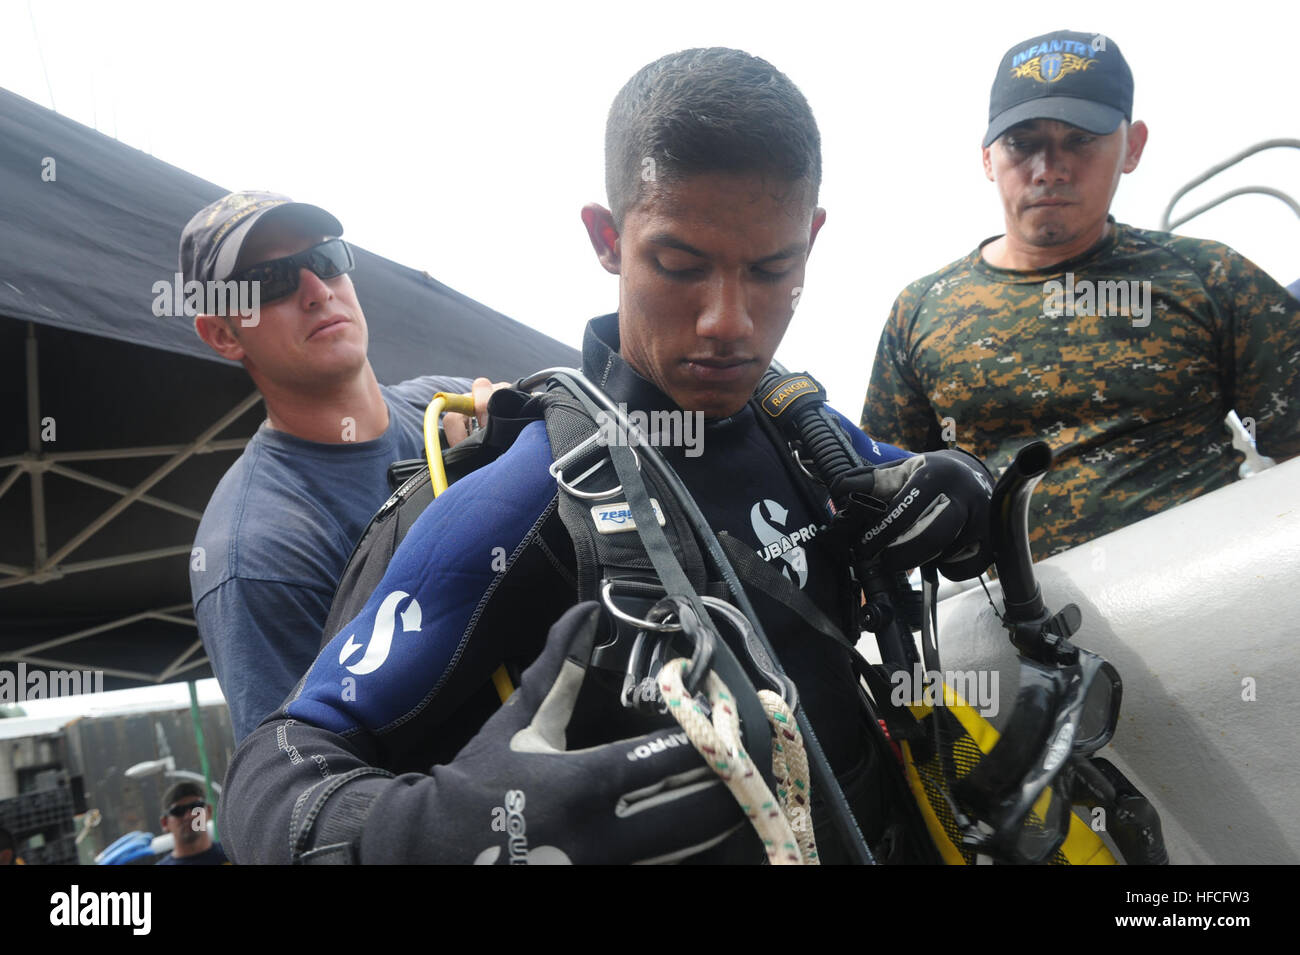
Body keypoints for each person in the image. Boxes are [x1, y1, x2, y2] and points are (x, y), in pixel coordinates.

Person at [220, 48, 993, 865]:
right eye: (680, 265)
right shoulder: (522, 501)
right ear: (606, 237)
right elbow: (272, 772)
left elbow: (927, 494)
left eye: (773, 269)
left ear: (813, 236)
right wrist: (431, 828)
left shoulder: (804, 429)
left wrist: (969, 496)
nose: (728, 321)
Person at [861, 30, 1300, 559]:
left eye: (1080, 140)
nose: (1050, 169)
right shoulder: (922, 312)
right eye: (1022, 144)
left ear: (1132, 146)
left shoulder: (1210, 277)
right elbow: (881, 496)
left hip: (1206, 603)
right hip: (1017, 627)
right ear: (986, 158)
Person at [182, 192, 485, 742]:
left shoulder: (459, 405)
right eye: (270, 282)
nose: (316, 291)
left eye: (326, 259)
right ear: (224, 333)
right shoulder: (256, 550)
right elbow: (305, 783)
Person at [155, 782, 230, 865]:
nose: (189, 816)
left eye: (196, 807)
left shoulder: (234, 854)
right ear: (165, 823)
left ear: (209, 811)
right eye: (179, 811)